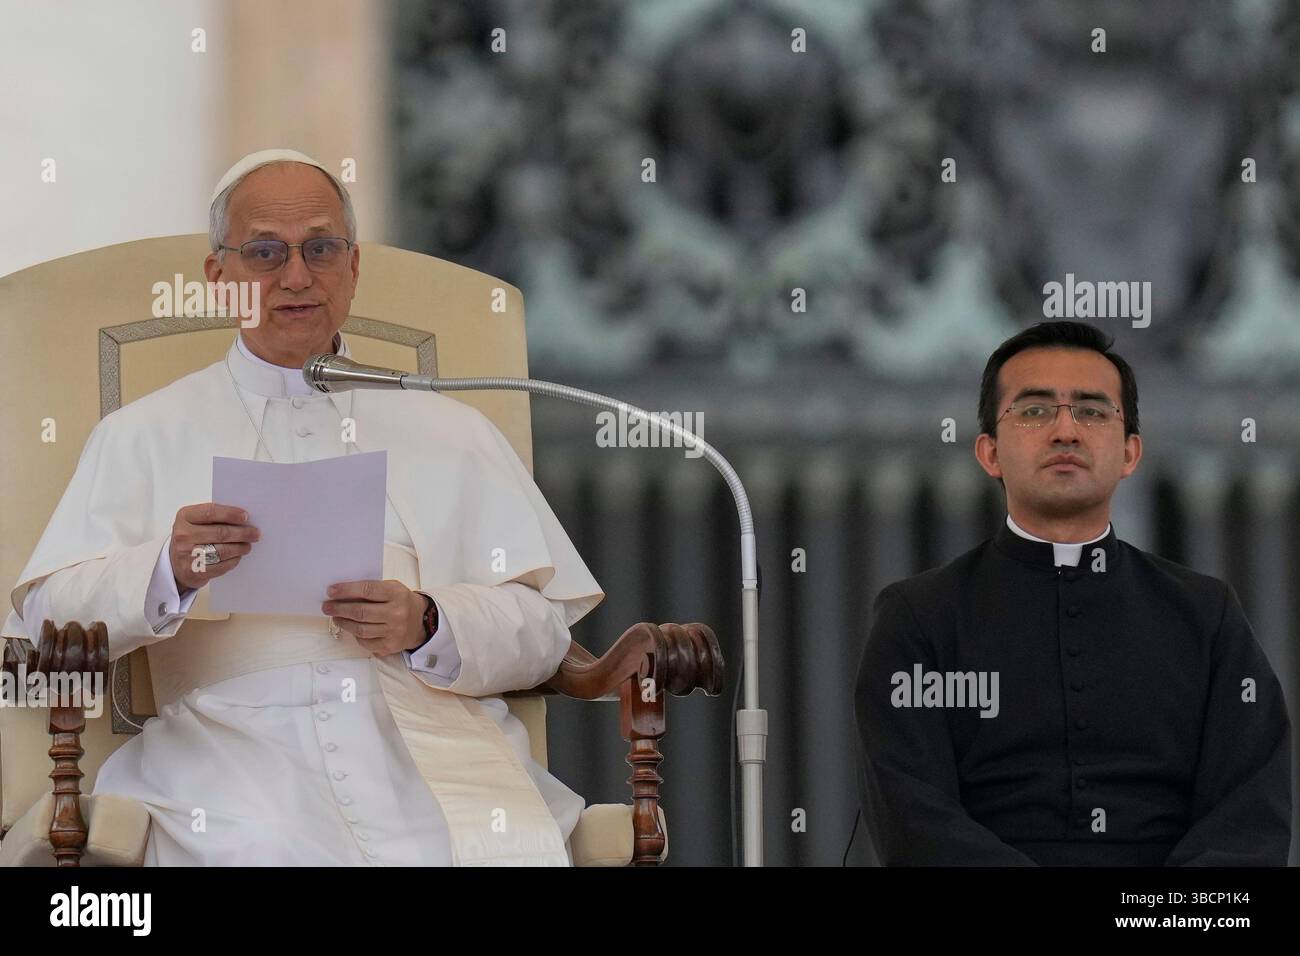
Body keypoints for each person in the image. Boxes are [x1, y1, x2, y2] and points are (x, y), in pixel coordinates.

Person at [5, 149, 604, 866]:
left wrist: (428, 622)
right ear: (219, 278)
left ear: (353, 268)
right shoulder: (143, 434)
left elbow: (542, 631)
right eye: (265, 252)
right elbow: (43, 626)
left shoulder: (449, 428)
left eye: (320, 248)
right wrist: (166, 571)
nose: (296, 276)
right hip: (226, 756)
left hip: (425, 748)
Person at [854, 320, 1292, 865]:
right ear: (989, 452)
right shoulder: (918, 618)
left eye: (1092, 410)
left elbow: (1250, 809)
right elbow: (912, 815)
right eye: (1035, 410)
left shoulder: (1206, 614)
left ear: (1131, 452)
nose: (1066, 431)